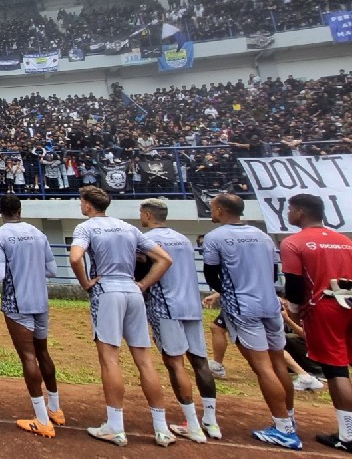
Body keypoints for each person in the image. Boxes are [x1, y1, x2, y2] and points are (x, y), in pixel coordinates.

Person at [69, 186, 175, 447]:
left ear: (87, 205)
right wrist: (144, 284)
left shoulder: (86, 227)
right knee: (145, 361)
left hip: (107, 291)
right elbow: (164, 259)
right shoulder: (129, 228)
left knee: (110, 359)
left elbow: (75, 258)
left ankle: (115, 426)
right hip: (132, 290)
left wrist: (85, 283)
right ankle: (161, 428)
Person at [203, 192, 299, 449]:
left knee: (262, 367)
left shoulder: (215, 237)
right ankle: (289, 419)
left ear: (221, 210)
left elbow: (212, 275)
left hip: (242, 306)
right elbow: (274, 271)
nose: (211, 211)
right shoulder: (263, 236)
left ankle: (284, 428)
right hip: (269, 303)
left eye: (212, 207)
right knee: (278, 363)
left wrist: (226, 291)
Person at [137, 197, 222, 442]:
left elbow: (142, 269)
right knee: (200, 361)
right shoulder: (183, 238)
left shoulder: (148, 241)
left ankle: (193, 425)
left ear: (148, 214)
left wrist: (141, 285)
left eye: (142, 213)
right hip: (191, 304)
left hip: (166, 305)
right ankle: (211, 421)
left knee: (175, 363)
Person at [280, 193, 352, 451]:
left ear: (300, 212)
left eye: (289, 210)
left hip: (325, 306)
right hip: (349, 300)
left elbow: (295, 285)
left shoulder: (293, 243)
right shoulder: (344, 240)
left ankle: (348, 434)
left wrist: (294, 312)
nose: (288, 214)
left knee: (336, 369)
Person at [0, 193, 63, 437]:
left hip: (17, 302)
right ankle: (55, 409)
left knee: (28, 357)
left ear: (1, 211)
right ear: (20, 209)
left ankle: (41, 420)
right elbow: (52, 269)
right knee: (43, 352)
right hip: (40, 300)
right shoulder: (38, 234)